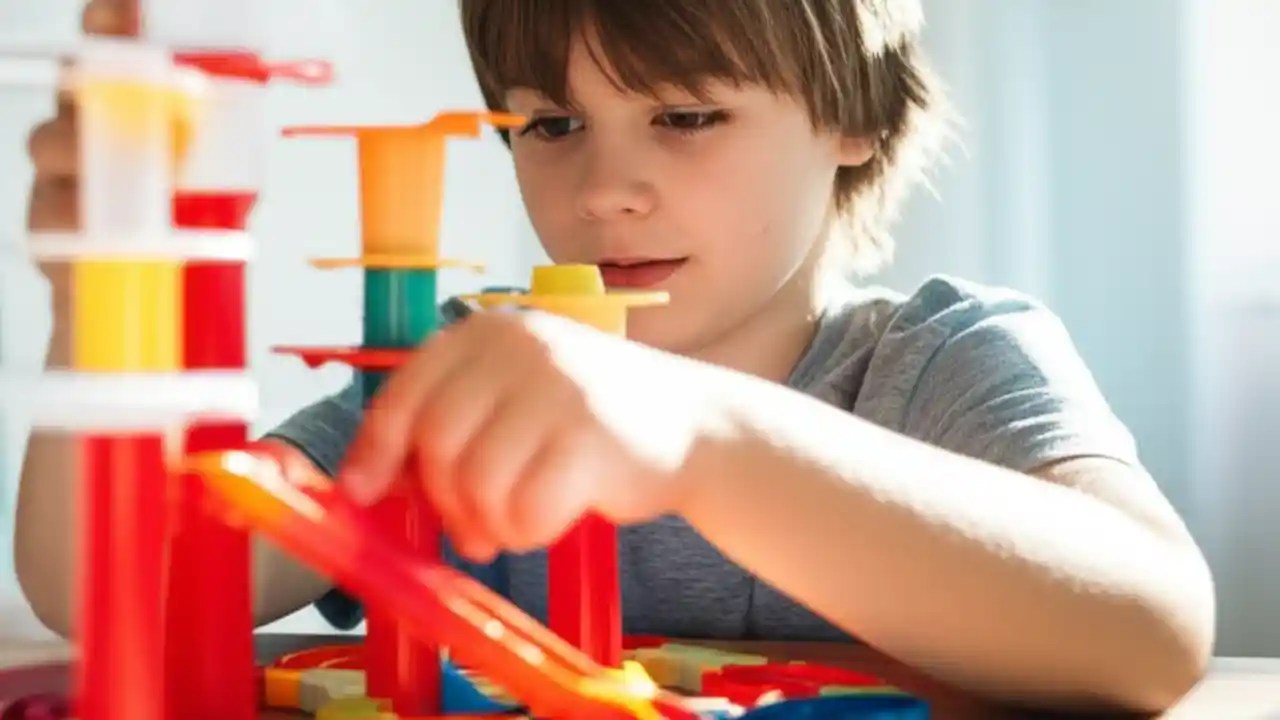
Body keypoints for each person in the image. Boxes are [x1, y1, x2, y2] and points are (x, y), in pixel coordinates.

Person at [16, 0, 1215, 713]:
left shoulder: (938, 360)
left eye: (685, 116)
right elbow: (116, 593)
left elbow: (1147, 633)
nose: (602, 191)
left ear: (857, 119)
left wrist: (696, 434)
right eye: (549, 125)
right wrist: (103, 307)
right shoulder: (461, 374)